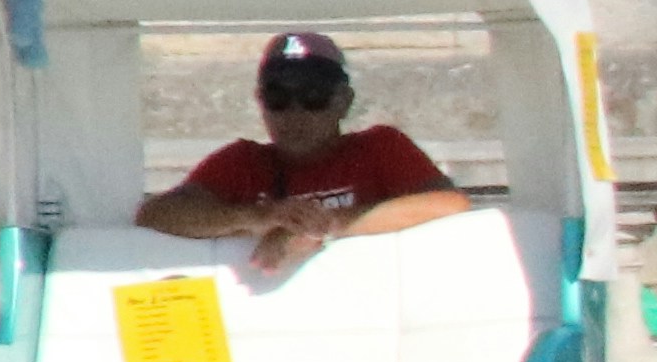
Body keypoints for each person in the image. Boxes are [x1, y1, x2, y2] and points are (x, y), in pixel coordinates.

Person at [142, 31, 472, 277]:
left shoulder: (379, 148)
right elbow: (157, 214)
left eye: (313, 96)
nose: (295, 113)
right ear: (260, 102)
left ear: (343, 101)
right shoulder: (242, 161)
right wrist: (258, 218)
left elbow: (449, 204)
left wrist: (322, 227)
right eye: (278, 97)